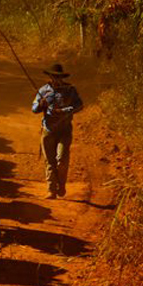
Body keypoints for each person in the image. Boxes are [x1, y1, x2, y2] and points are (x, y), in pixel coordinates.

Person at [31, 63, 84, 199]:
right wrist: (40, 105)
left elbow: (79, 105)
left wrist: (64, 111)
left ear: (62, 77)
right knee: (50, 162)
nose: (56, 79)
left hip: (64, 130)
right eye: (54, 76)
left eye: (59, 76)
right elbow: (34, 108)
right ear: (50, 76)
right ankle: (51, 190)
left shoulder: (70, 90)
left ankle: (61, 184)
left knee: (61, 160)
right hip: (48, 130)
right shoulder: (43, 91)